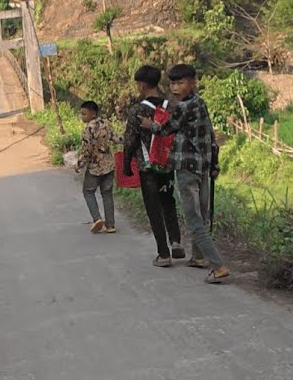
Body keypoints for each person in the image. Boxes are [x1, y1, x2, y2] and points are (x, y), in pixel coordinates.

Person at [140, 64, 231, 284]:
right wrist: (215, 163)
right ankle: (199, 257)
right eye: (172, 83)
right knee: (202, 214)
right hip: (203, 167)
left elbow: (166, 129)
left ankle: (218, 266)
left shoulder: (183, 107)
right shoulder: (200, 103)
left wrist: (150, 125)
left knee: (193, 219)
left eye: (180, 83)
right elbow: (210, 136)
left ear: (192, 83)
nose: (175, 88)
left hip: (186, 168)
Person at [121, 65, 185, 266]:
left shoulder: (137, 110)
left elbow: (130, 140)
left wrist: (126, 165)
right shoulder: (171, 106)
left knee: (153, 208)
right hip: (167, 164)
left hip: (147, 166)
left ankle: (163, 254)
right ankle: (176, 241)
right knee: (168, 202)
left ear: (141, 85)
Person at [77, 100, 118, 234]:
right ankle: (110, 225)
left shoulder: (88, 129)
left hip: (95, 167)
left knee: (88, 191)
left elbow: (86, 150)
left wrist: (80, 164)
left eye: (84, 114)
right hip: (109, 165)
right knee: (107, 194)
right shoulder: (106, 124)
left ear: (93, 114)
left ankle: (97, 219)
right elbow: (116, 138)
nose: (82, 117)